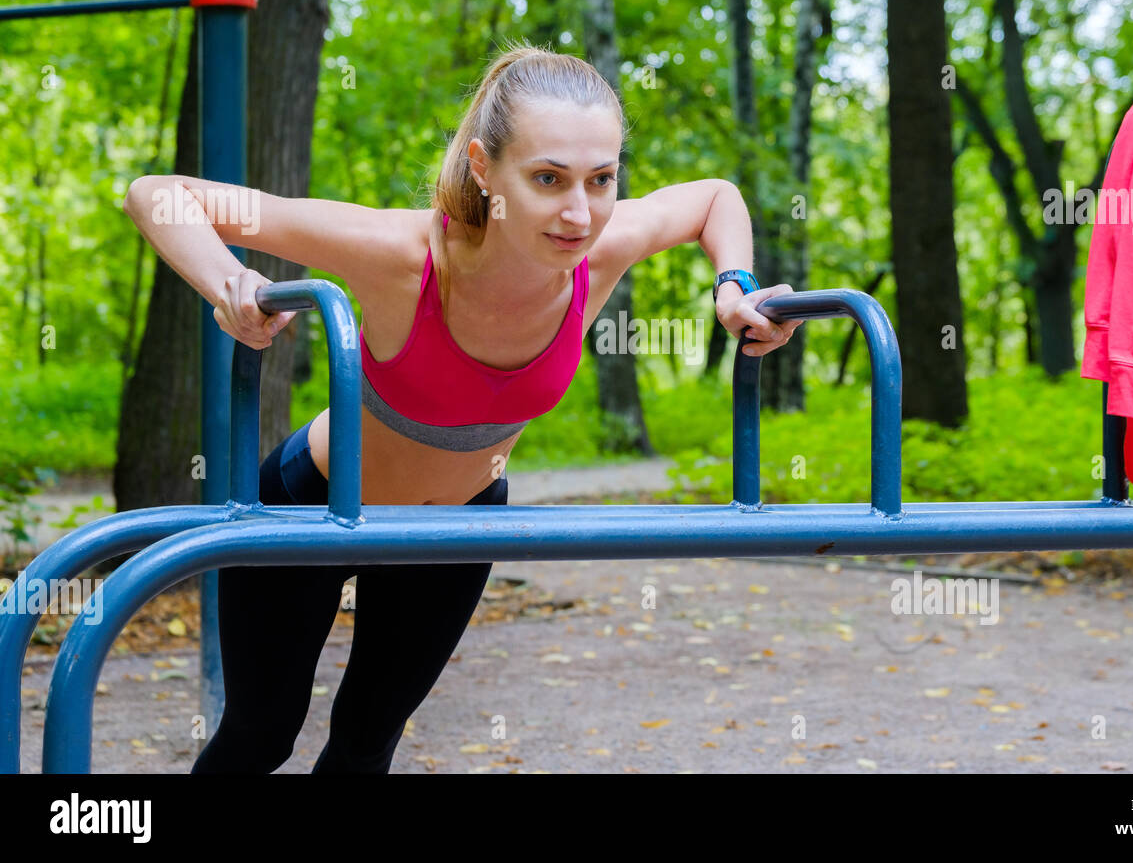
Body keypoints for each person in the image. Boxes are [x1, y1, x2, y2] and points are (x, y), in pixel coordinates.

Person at [121, 40, 803, 774]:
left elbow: (713, 198)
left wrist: (735, 284)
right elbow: (158, 193)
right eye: (547, 179)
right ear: (484, 168)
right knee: (262, 734)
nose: (580, 212)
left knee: (365, 740)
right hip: (314, 506)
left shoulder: (600, 253)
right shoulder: (398, 254)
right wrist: (229, 284)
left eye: (601, 179)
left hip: (453, 526)